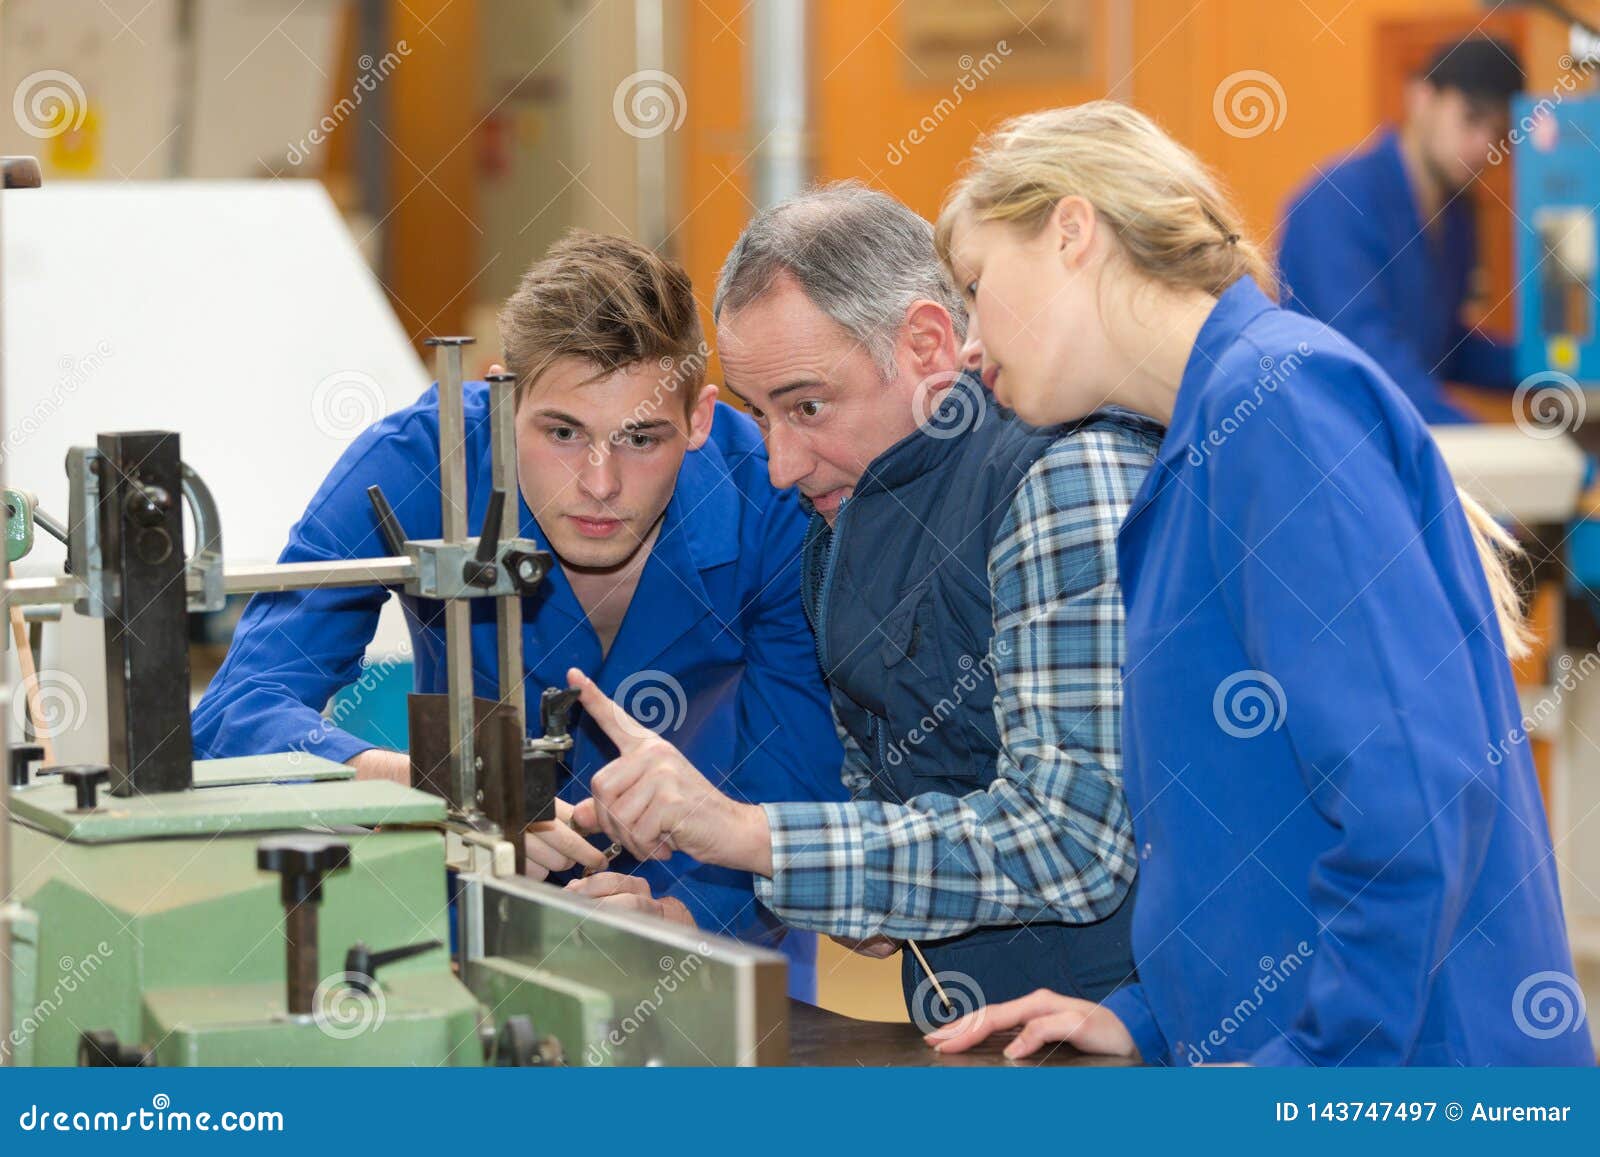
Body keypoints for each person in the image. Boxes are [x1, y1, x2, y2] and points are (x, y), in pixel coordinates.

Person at [925, 101, 1589, 1065]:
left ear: (1072, 231)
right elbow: (1252, 821)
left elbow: (1414, 805)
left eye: (976, 284)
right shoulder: (1206, 439)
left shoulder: (1274, 402)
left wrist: (1309, 1075)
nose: (971, 343)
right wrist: (1150, 1015)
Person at [559, 182, 1160, 1029]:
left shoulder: (1063, 475)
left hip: (1141, 1039)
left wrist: (745, 833)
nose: (780, 465)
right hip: (979, 1036)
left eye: (807, 406)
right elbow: (893, 872)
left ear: (926, 344)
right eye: (759, 416)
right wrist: (695, 923)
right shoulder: (836, 528)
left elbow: (1073, 837)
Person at [191, 230, 845, 997]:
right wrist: (432, 791)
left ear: (699, 419)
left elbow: (801, 786)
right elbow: (237, 715)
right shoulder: (418, 461)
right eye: (563, 432)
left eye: (640, 438)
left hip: (719, 922)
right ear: (504, 401)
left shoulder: (769, 493)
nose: (600, 483)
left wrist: (688, 915)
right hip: (465, 925)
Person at [1277, 35, 1523, 424]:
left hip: (1396, 447)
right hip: (1328, 450)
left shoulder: (1458, 215)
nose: (1483, 145)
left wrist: (1555, 370)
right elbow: (1369, 359)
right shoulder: (1337, 200)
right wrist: (1483, 440)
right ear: (1421, 97)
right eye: (1472, 118)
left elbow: (1446, 347)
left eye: (1499, 133)